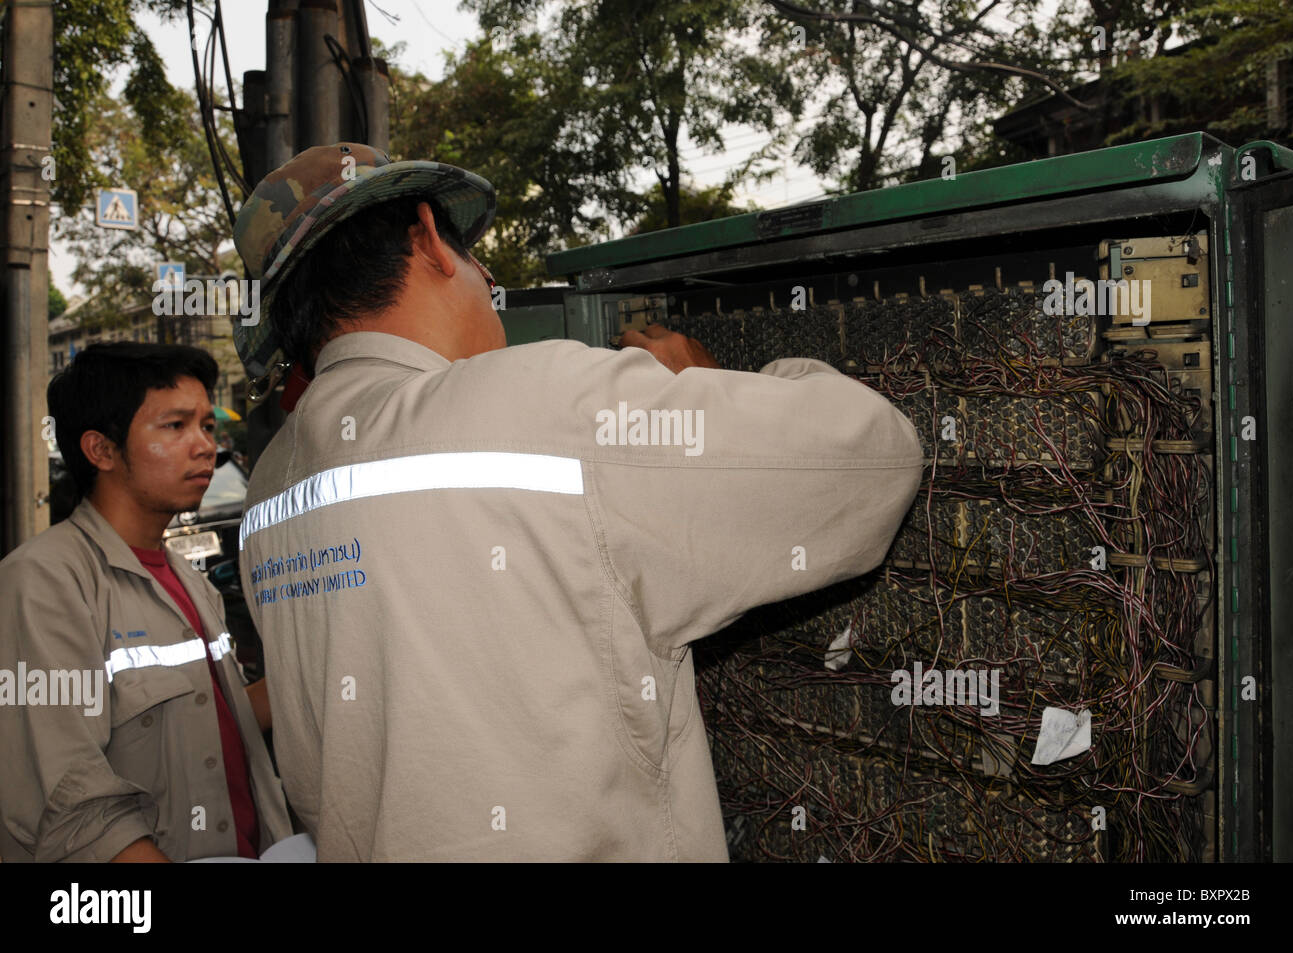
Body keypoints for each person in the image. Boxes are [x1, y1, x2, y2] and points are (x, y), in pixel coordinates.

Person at [232, 142, 923, 861]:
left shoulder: (272, 484)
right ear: (430, 239)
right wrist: (710, 380)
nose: (487, 275)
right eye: (474, 254)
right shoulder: (545, 406)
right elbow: (876, 457)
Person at [0, 344, 293, 862]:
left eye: (206, 424)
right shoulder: (43, 582)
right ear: (102, 450)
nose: (206, 445)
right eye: (175, 426)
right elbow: (73, 799)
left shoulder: (188, 581)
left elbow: (215, 718)